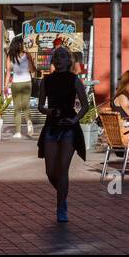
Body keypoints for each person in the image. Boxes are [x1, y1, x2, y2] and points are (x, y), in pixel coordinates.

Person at [37, 45, 88, 223]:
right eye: (56, 56)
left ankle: (61, 207)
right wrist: (48, 111)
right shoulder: (46, 81)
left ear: (69, 61)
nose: (59, 59)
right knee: (51, 171)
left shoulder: (74, 80)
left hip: (69, 126)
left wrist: (75, 121)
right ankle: (63, 196)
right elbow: (40, 105)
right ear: (53, 60)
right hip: (52, 125)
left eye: (63, 56)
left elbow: (85, 105)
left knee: (63, 168)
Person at [7, 36, 36, 139]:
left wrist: (5, 86)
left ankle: (18, 132)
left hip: (16, 83)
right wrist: (30, 61)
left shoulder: (10, 56)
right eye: (21, 43)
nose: (22, 45)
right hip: (26, 82)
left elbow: (8, 73)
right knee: (24, 105)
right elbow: (33, 70)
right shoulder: (26, 54)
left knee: (18, 107)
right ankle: (28, 121)